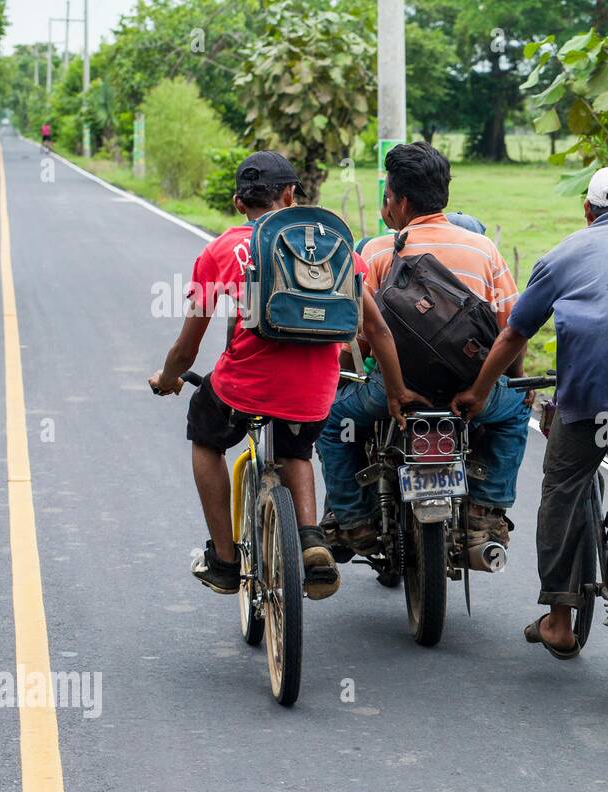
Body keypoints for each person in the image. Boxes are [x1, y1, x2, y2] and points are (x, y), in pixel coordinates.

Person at [452, 166, 608, 660]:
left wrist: (480, 392)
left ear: (588, 212)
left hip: (592, 392)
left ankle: (560, 620)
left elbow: (514, 335)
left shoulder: (563, 253)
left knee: (563, 490)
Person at [149, 151, 423, 599]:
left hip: (243, 387)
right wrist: (395, 394)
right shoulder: (335, 250)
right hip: (313, 394)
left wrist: (167, 377)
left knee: (206, 435)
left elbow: (188, 345)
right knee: (296, 450)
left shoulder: (219, 251)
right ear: (291, 195)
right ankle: (312, 540)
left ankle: (223, 559)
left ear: (240, 204)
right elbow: (378, 331)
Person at [317, 142, 530, 555]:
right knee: (515, 416)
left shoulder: (377, 251)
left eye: (388, 197)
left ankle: (353, 519)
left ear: (400, 201)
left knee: (332, 423)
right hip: (471, 388)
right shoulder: (484, 250)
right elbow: (511, 330)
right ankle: (485, 511)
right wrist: (508, 384)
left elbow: (361, 338)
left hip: (396, 391)